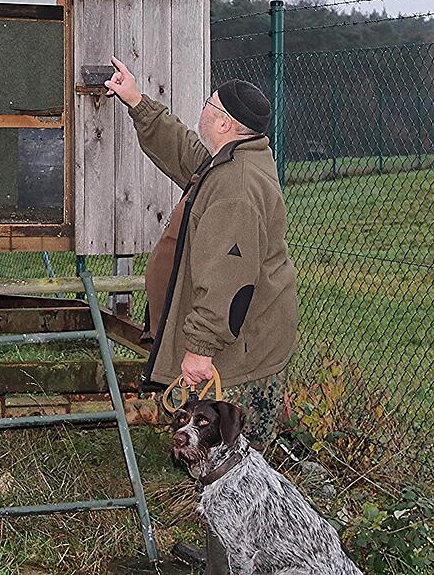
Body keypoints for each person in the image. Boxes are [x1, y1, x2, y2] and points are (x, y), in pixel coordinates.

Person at [105, 56, 300, 572]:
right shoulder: (234, 160)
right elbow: (190, 154)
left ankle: (237, 562)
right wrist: (138, 104)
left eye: (210, 105)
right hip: (243, 347)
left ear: (228, 125)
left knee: (235, 470)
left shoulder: (235, 186)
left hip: (235, 355)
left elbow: (228, 281)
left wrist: (199, 350)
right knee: (224, 469)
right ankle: (221, 554)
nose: (204, 108)